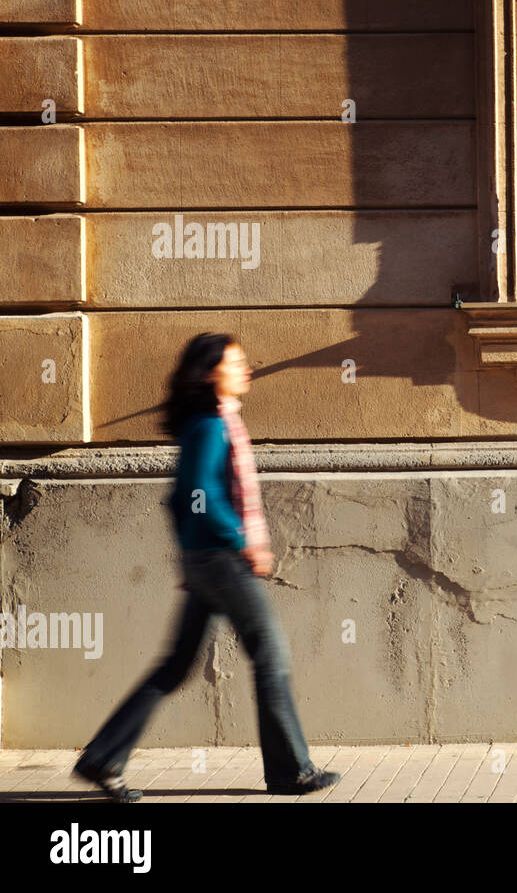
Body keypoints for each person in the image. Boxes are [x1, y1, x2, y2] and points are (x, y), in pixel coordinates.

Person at [74, 333, 339, 801]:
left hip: (206, 561)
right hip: (224, 560)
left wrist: (188, 555)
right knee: (271, 654)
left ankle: (103, 758)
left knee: (176, 666)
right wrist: (239, 542)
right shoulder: (212, 426)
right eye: (236, 362)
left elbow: (180, 500)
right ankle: (290, 772)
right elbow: (199, 496)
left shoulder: (210, 423)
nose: (246, 369)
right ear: (210, 372)